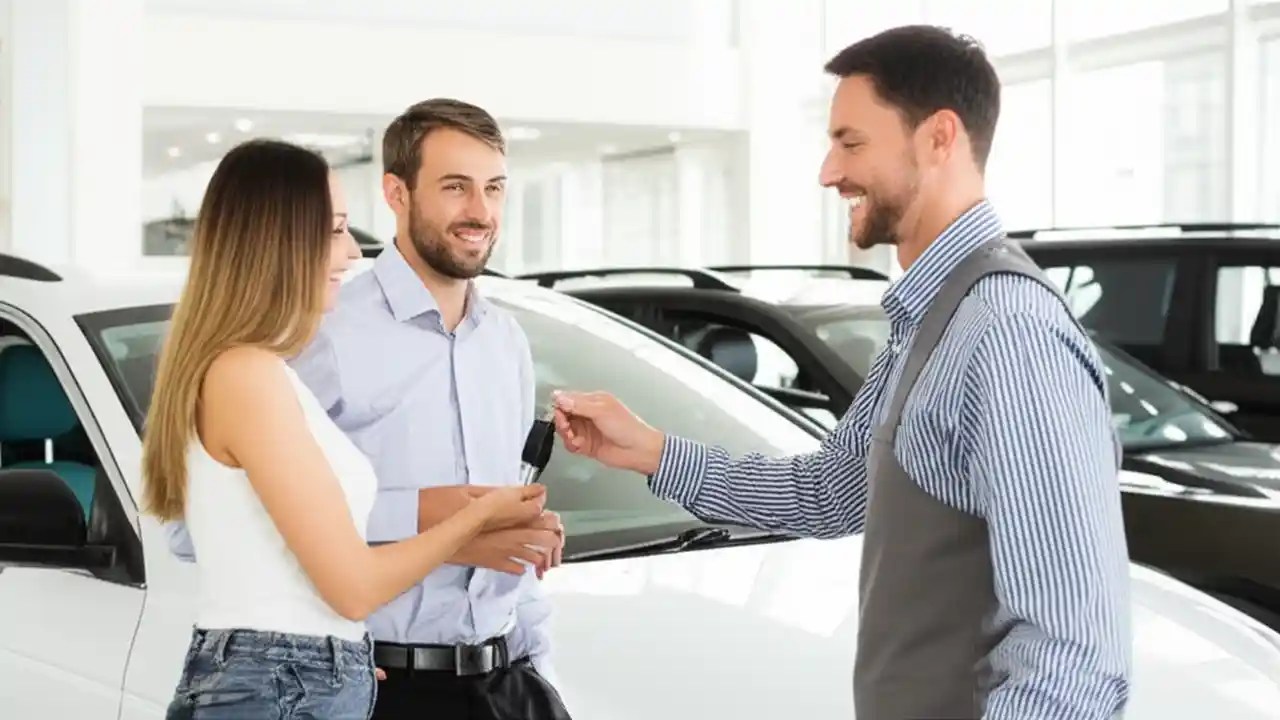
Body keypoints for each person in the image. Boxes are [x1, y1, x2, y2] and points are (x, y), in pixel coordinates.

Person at [549, 25, 1132, 720]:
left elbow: (1072, 657)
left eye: (851, 143)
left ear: (939, 137)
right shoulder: (933, 315)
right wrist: (648, 450)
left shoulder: (1004, 334)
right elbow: (830, 491)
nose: (829, 172)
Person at [167, 99, 573, 719]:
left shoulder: (506, 342)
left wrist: (537, 667)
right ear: (397, 192)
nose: (481, 212)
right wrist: (432, 518)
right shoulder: (312, 334)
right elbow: (200, 528)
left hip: (502, 681)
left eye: (494, 188)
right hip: (376, 683)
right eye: (456, 187)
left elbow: (504, 535)